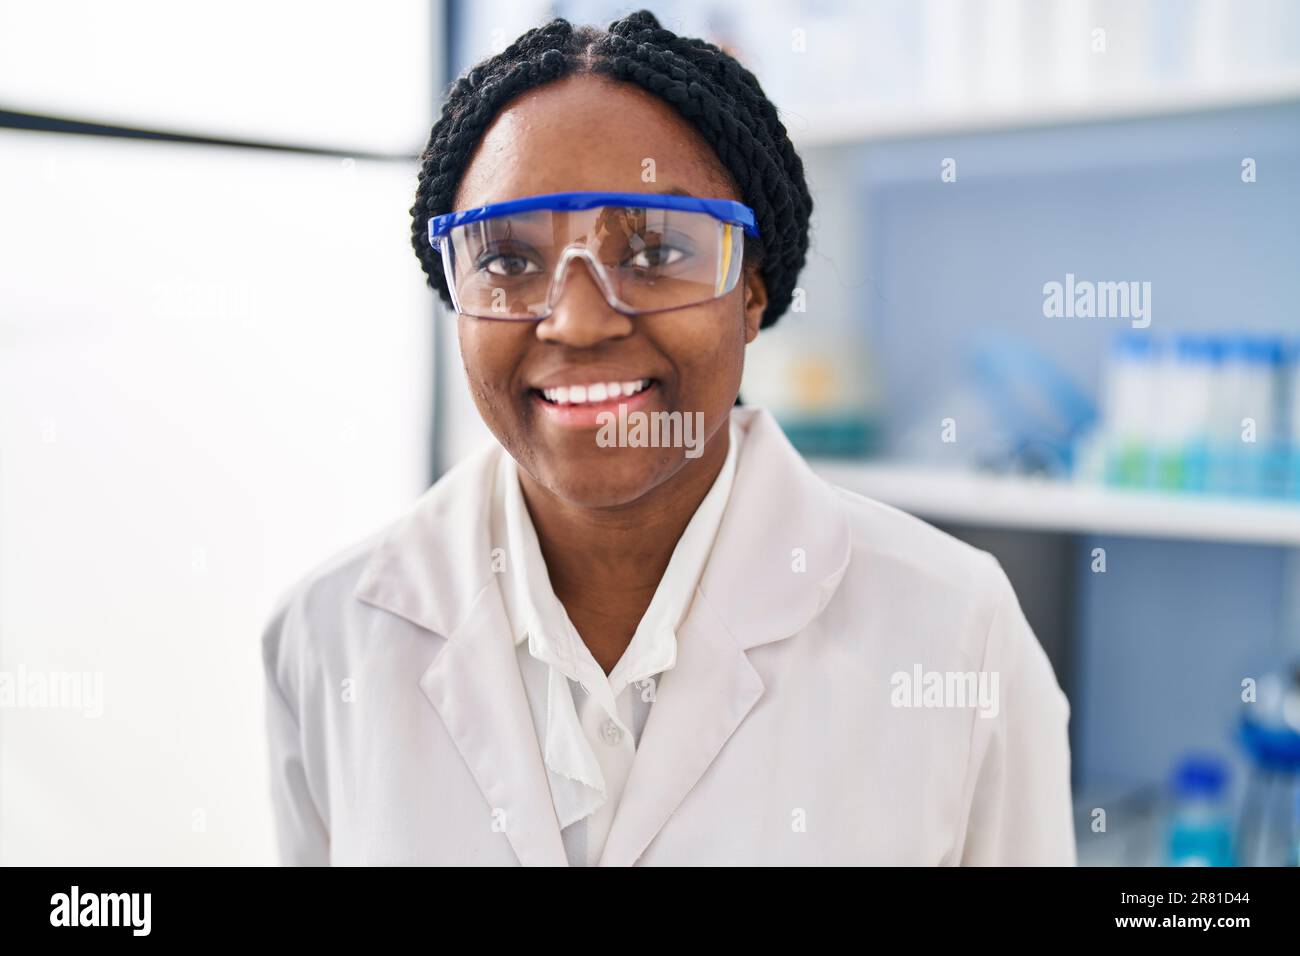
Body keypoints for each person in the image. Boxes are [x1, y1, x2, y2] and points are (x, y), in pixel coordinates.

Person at [262, 9, 1076, 866]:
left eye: (653, 250)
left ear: (752, 290)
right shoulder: (325, 640)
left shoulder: (954, 631)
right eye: (507, 260)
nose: (577, 323)